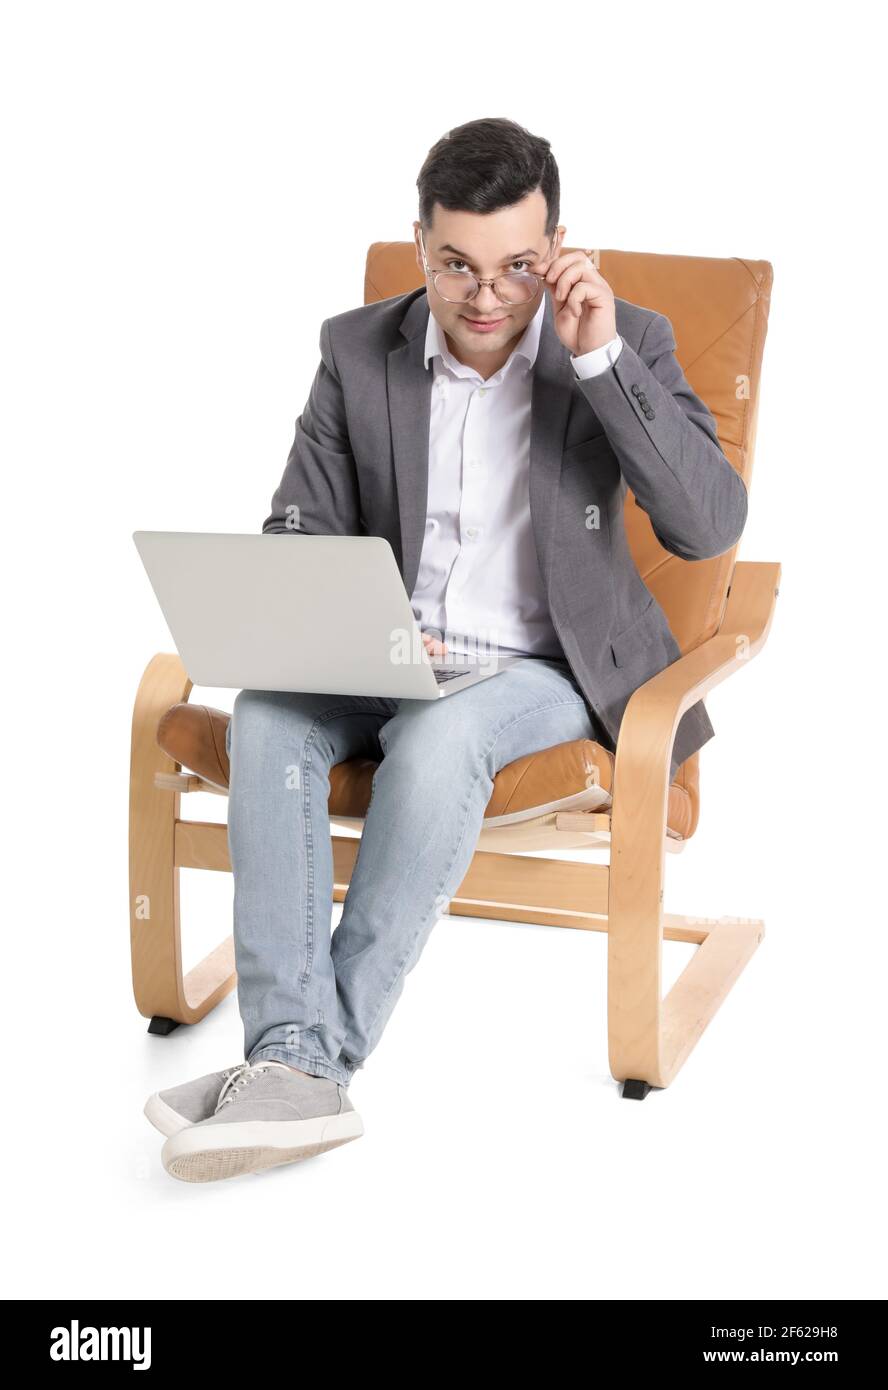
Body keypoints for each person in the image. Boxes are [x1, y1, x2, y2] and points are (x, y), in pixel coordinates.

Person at [149, 116, 748, 1184]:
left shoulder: (622, 341)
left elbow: (707, 525)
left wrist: (599, 355)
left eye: (520, 267)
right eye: (455, 266)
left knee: (435, 738)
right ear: (420, 242)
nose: (486, 299)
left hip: (541, 669)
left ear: (563, 246)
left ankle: (301, 1064)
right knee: (268, 716)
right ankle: (298, 1067)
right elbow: (301, 518)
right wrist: (327, 591)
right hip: (388, 647)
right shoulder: (357, 346)